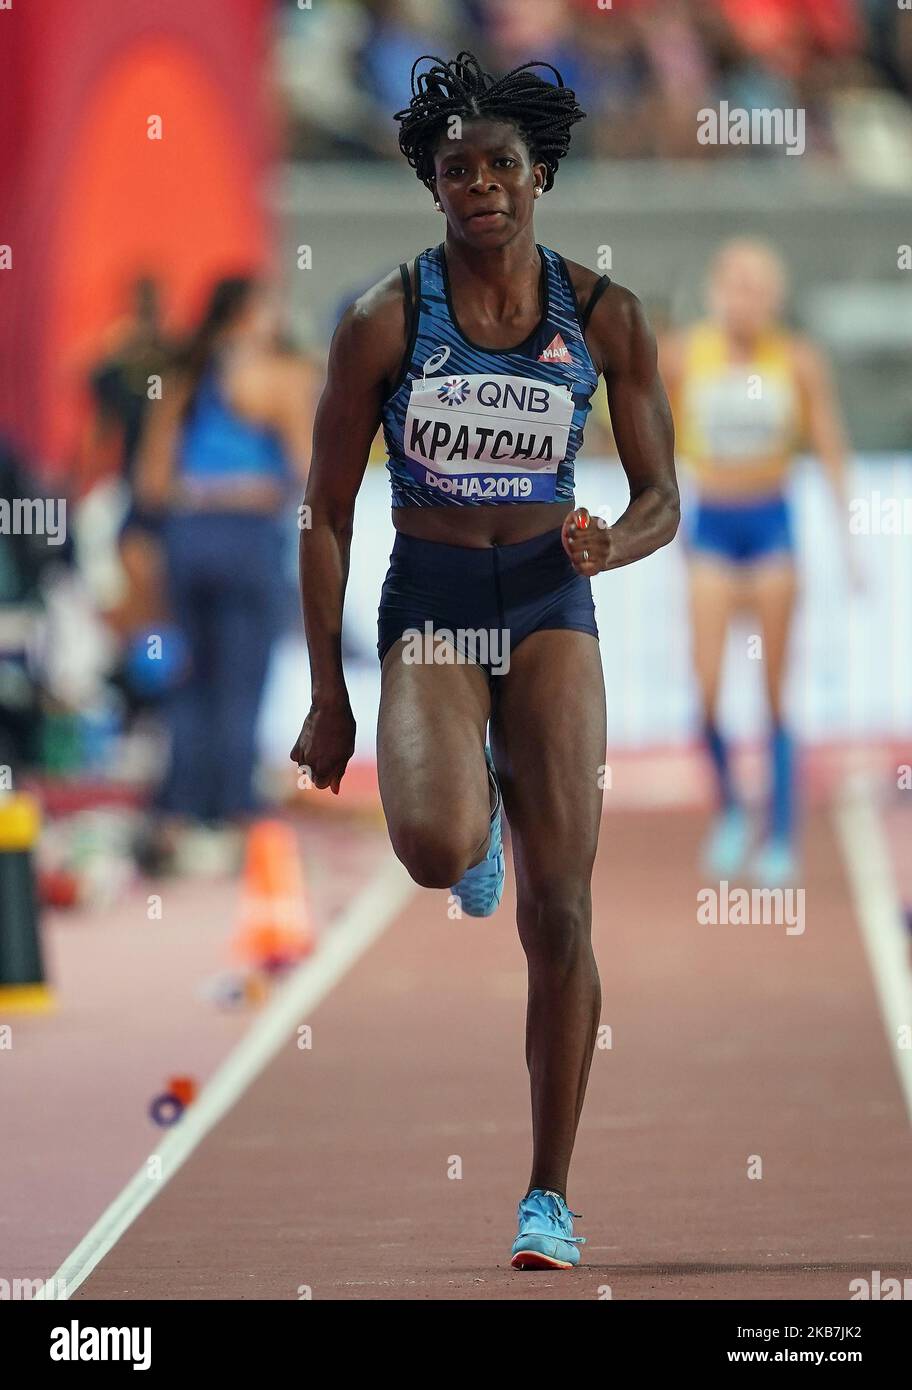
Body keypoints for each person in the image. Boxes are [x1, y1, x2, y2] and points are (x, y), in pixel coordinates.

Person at [291, 51, 678, 1270]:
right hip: (437, 601)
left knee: (560, 914)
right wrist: (327, 694)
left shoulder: (604, 315)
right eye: (455, 170)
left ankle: (547, 1195)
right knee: (434, 848)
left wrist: (608, 542)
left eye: (502, 166)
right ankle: (483, 810)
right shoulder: (384, 319)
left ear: (541, 174)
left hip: (553, 598)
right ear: (433, 185)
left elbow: (666, 496)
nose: (481, 188)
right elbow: (325, 514)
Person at [661, 239, 852, 884]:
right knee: (708, 691)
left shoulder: (796, 360)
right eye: (736, 284)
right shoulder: (687, 356)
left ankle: (781, 835)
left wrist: (850, 536)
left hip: (772, 526)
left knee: (773, 691)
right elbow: (648, 436)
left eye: (759, 287)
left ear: (775, 297)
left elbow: (828, 444)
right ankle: (732, 809)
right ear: (716, 290)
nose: (747, 298)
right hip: (713, 527)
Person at [135, 275, 311, 873]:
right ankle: (239, 813)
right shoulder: (279, 373)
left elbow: (152, 482)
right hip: (245, 536)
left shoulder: (183, 377)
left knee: (190, 677)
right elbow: (303, 464)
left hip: (188, 536)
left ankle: (181, 811)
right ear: (249, 315)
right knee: (242, 678)